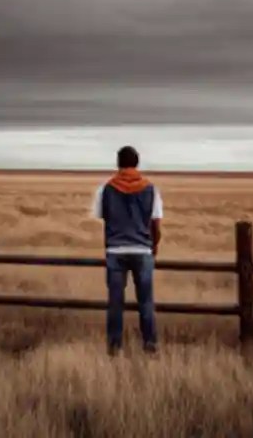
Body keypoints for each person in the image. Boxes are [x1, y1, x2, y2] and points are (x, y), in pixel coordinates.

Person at [90, 145, 162, 355]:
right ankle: (149, 344)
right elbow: (156, 224)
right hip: (143, 250)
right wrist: (153, 246)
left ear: (118, 163)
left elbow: (102, 216)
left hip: (115, 250)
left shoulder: (105, 188)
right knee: (146, 302)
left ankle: (114, 347)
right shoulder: (151, 189)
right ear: (137, 163)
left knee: (115, 302)